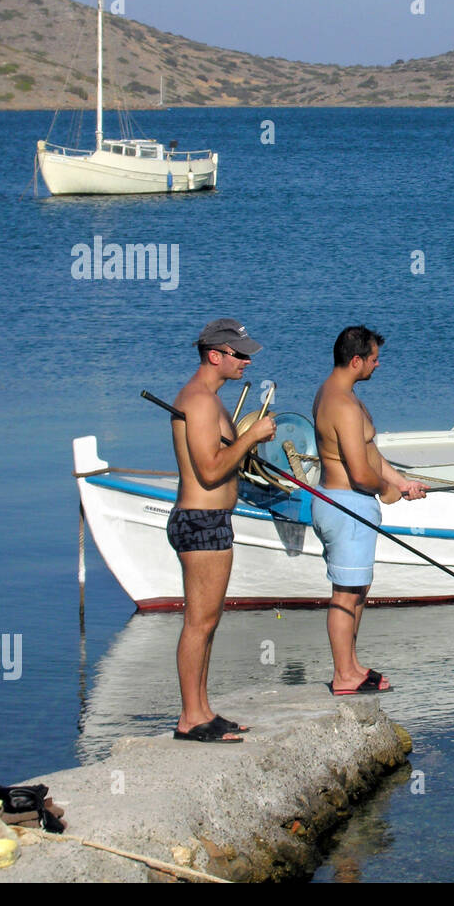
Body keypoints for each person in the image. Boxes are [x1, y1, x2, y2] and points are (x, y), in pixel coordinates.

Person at [168, 318, 276, 742]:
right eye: (239, 354)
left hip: (214, 521)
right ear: (215, 355)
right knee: (199, 621)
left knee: (209, 621)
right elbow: (210, 471)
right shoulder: (197, 401)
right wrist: (249, 439)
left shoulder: (210, 402)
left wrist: (246, 445)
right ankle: (189, 718)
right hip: (200, 520)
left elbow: (223, 461)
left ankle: (203, 709)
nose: (247, 361)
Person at [312, 326, 426, 694]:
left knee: (359, 588)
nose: (379, 364)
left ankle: (352, 664)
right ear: (356, 360)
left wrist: (402, 482)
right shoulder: (342, 405)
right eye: (374, 358)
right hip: (345, 507)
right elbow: (361, 473)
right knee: (346, 592)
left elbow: (369, 454)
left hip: (350, 506)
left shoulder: (343, 395)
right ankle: (344, 675)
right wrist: (385, 490)